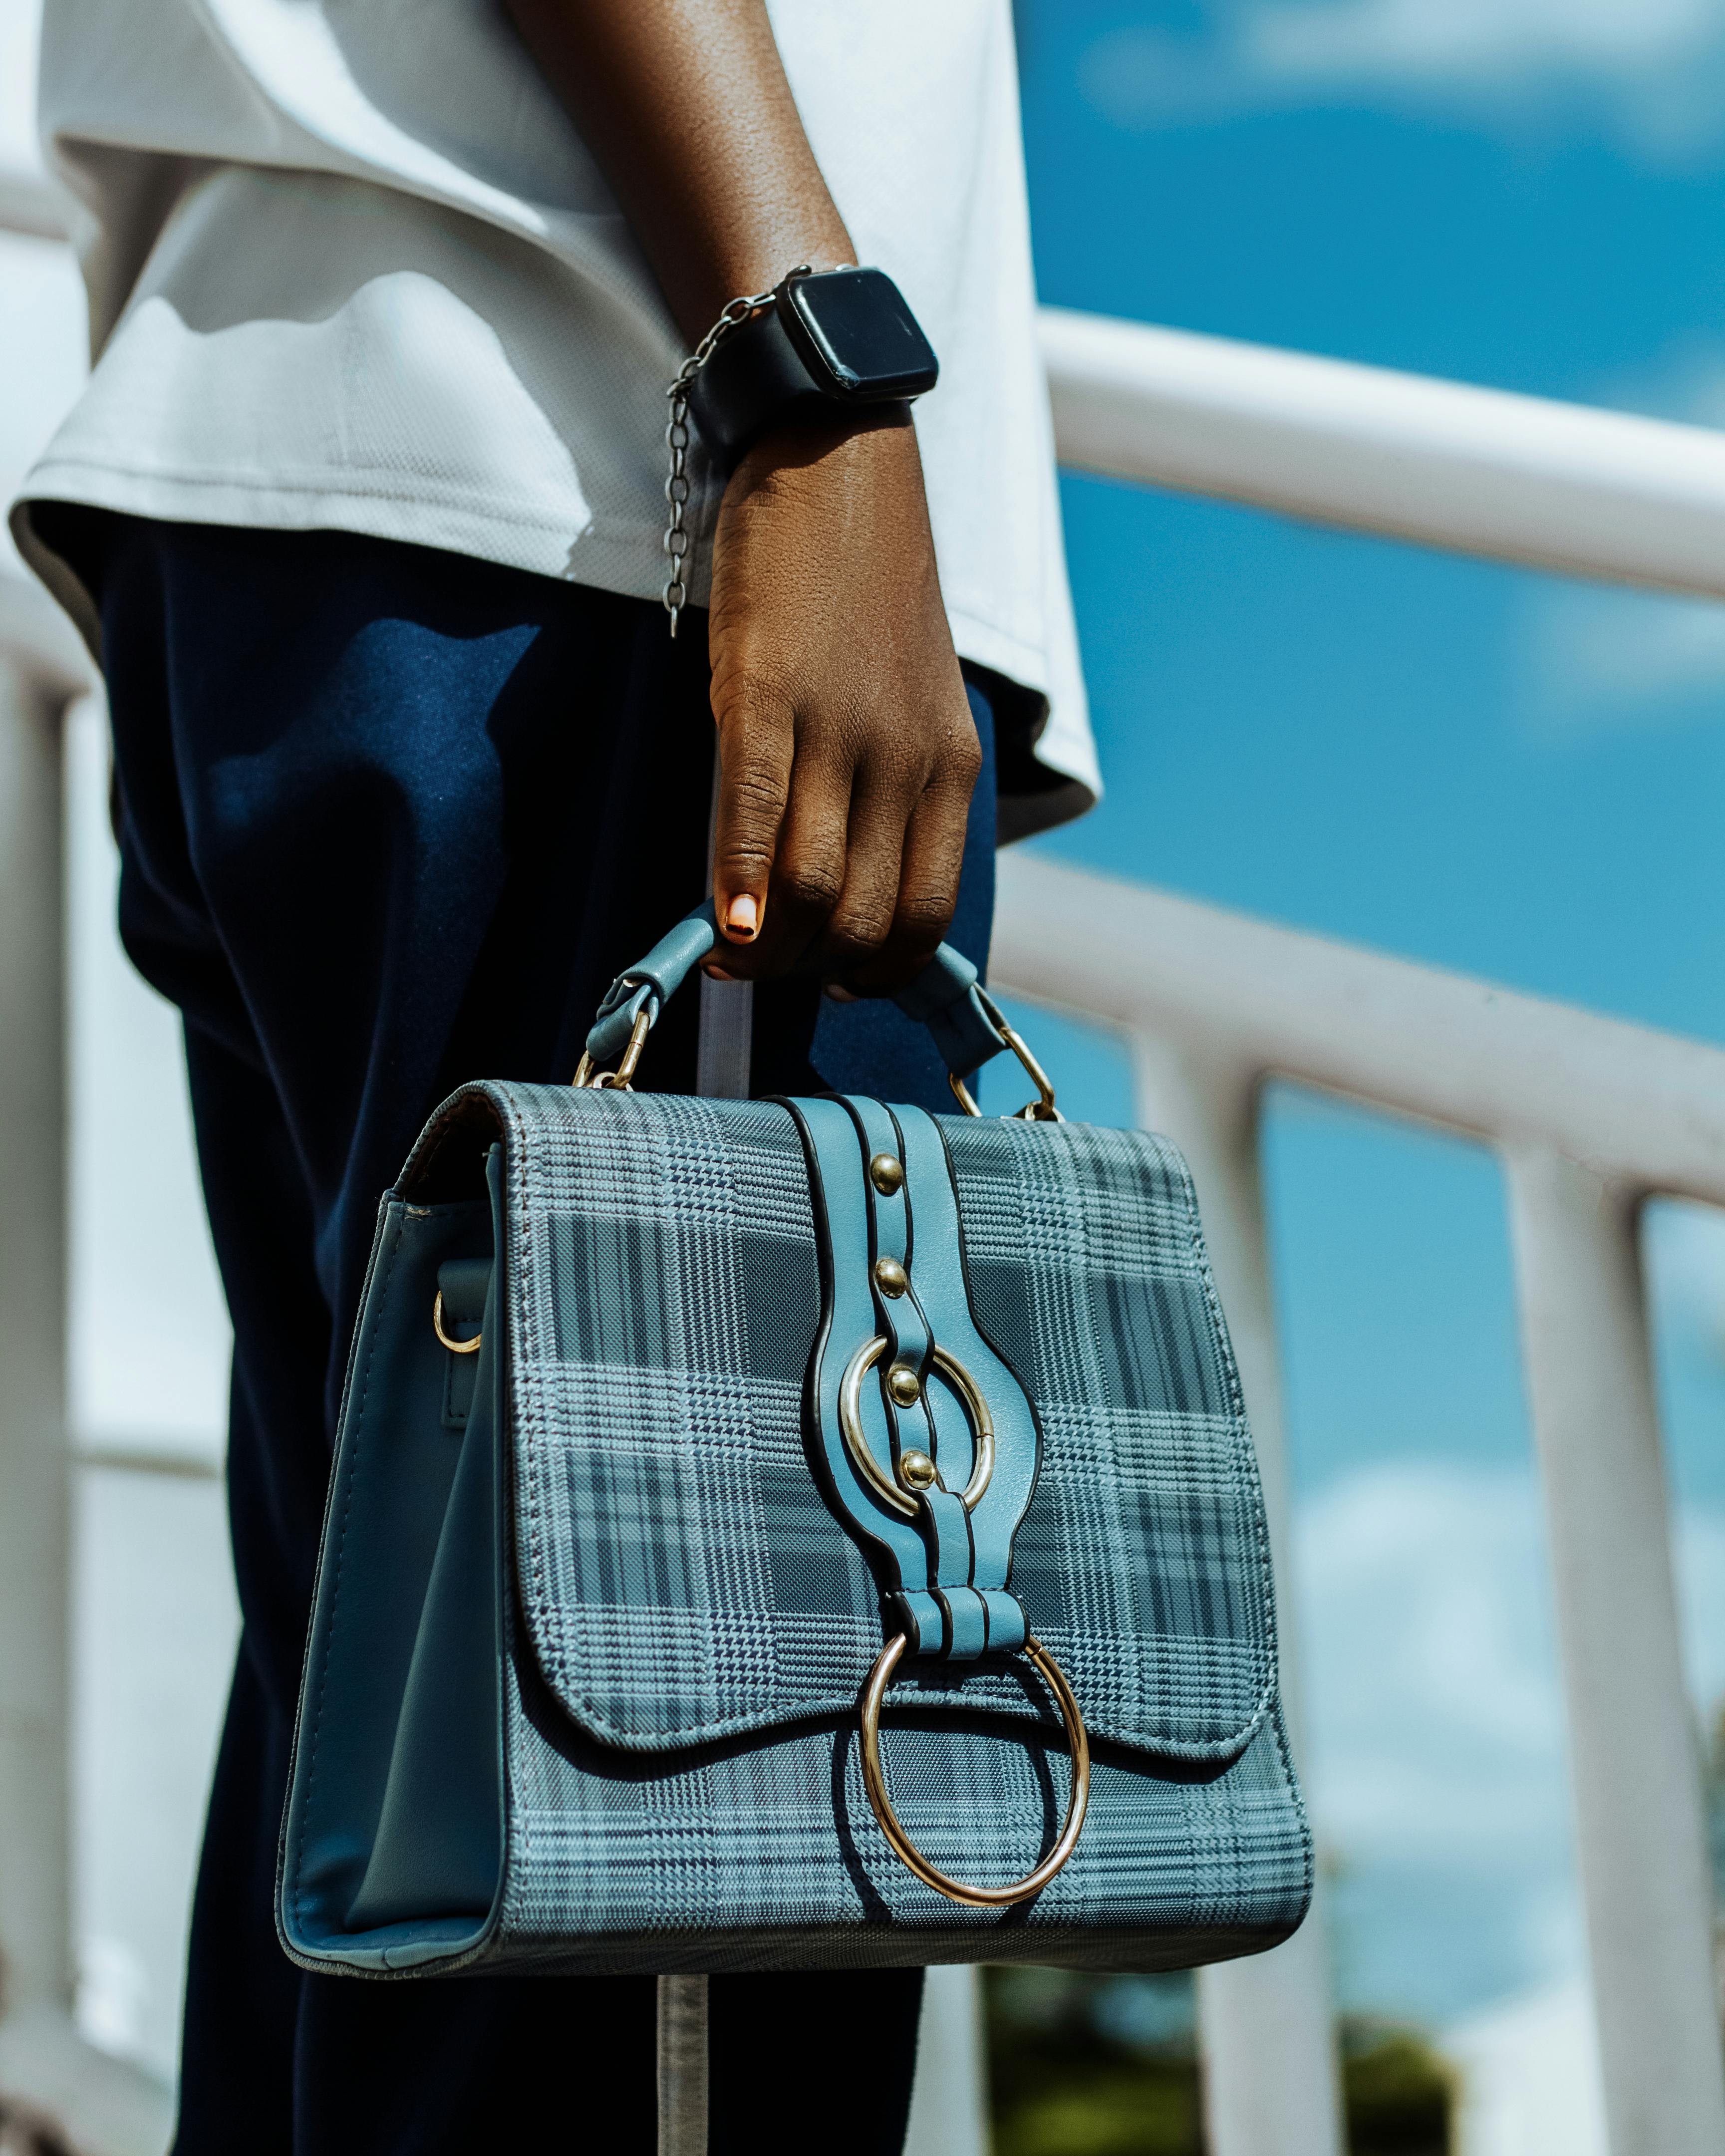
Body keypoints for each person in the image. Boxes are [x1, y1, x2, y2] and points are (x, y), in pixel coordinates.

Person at [12, 2, 1097, 2149]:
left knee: (405, 1836)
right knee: (690, 1896)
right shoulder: (752, 414)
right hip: (622, 492)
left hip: (399, 478)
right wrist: (816, 364)